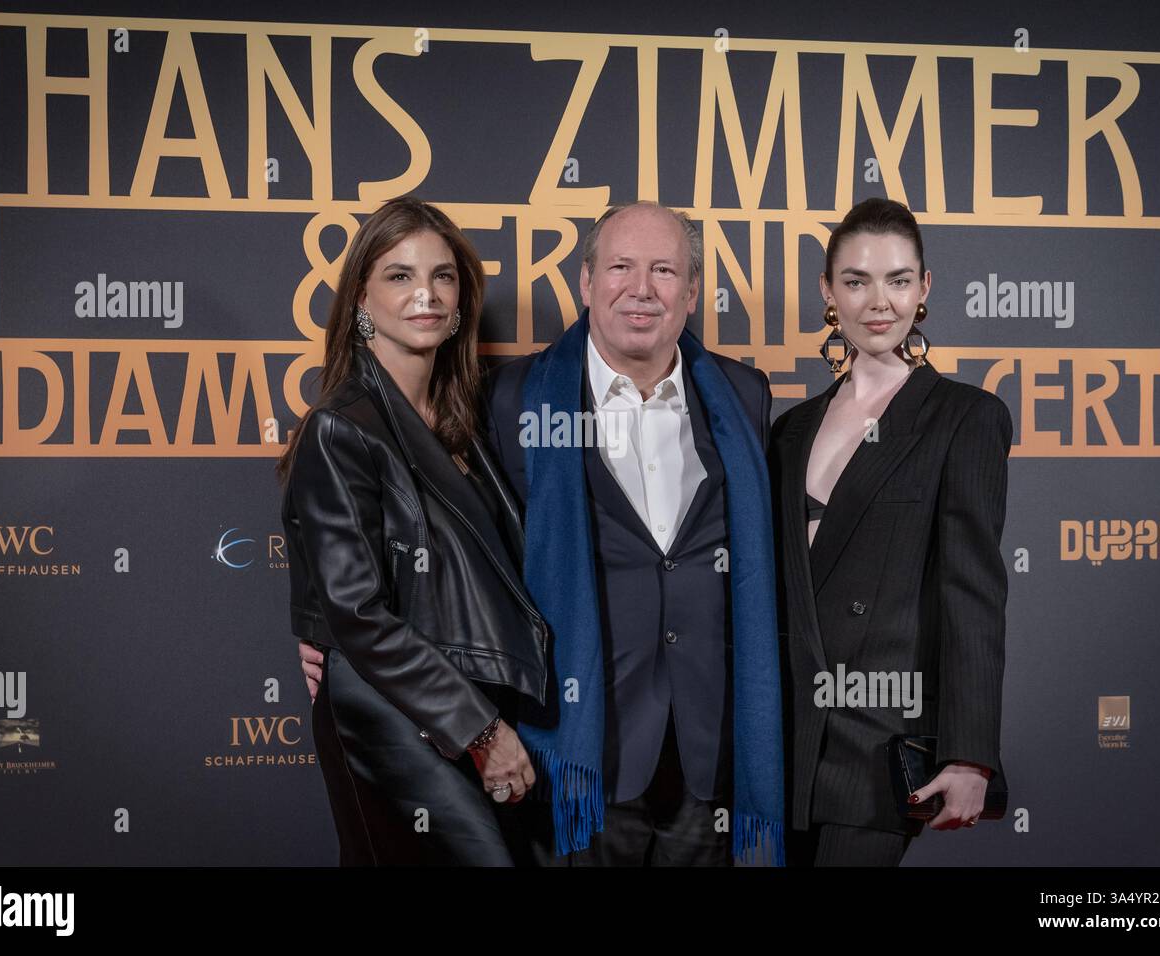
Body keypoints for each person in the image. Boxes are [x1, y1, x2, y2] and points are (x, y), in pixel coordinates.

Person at [483, 201, 784, 866]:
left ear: (693, 291)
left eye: (664, 270)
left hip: (708, 759)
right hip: (574, 753)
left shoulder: (743, 395)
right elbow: (472, 563)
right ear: (587, 283)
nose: (641, 288)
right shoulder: (513, 399)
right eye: (620, 267)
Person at [278, 195, 548, 865]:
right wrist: (479, 731)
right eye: (400, 276)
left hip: (466, 702)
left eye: (442, 276)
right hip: (393, 717)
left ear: (461, 298)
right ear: (361, 299)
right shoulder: (343, 427)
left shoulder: (470, 423)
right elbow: (357, 613)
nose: (425, 294)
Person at [769, 197, 1012, 866]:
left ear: (924, 288)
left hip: (876, 743)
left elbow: (973, 595)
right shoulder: (790, 430)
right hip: (781, 743)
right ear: (827, 291)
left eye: (899, 280)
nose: (879, 303)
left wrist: (969, 755)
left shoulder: (965, 418)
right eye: (857, 281)